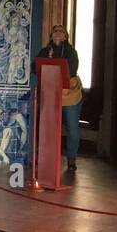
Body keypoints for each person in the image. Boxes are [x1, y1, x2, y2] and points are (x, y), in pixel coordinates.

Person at [39, 24, 82, 173]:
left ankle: (71, 159)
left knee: (72, 127)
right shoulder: (45, 51)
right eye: (55, 31)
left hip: (69, 93)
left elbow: (71, 69)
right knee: (49, 127)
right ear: (51, 35)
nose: (57, 34)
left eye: (61, 32)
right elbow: (36, 67)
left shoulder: (71, 52)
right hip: (51, 92)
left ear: (65, 36)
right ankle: (49, 158)